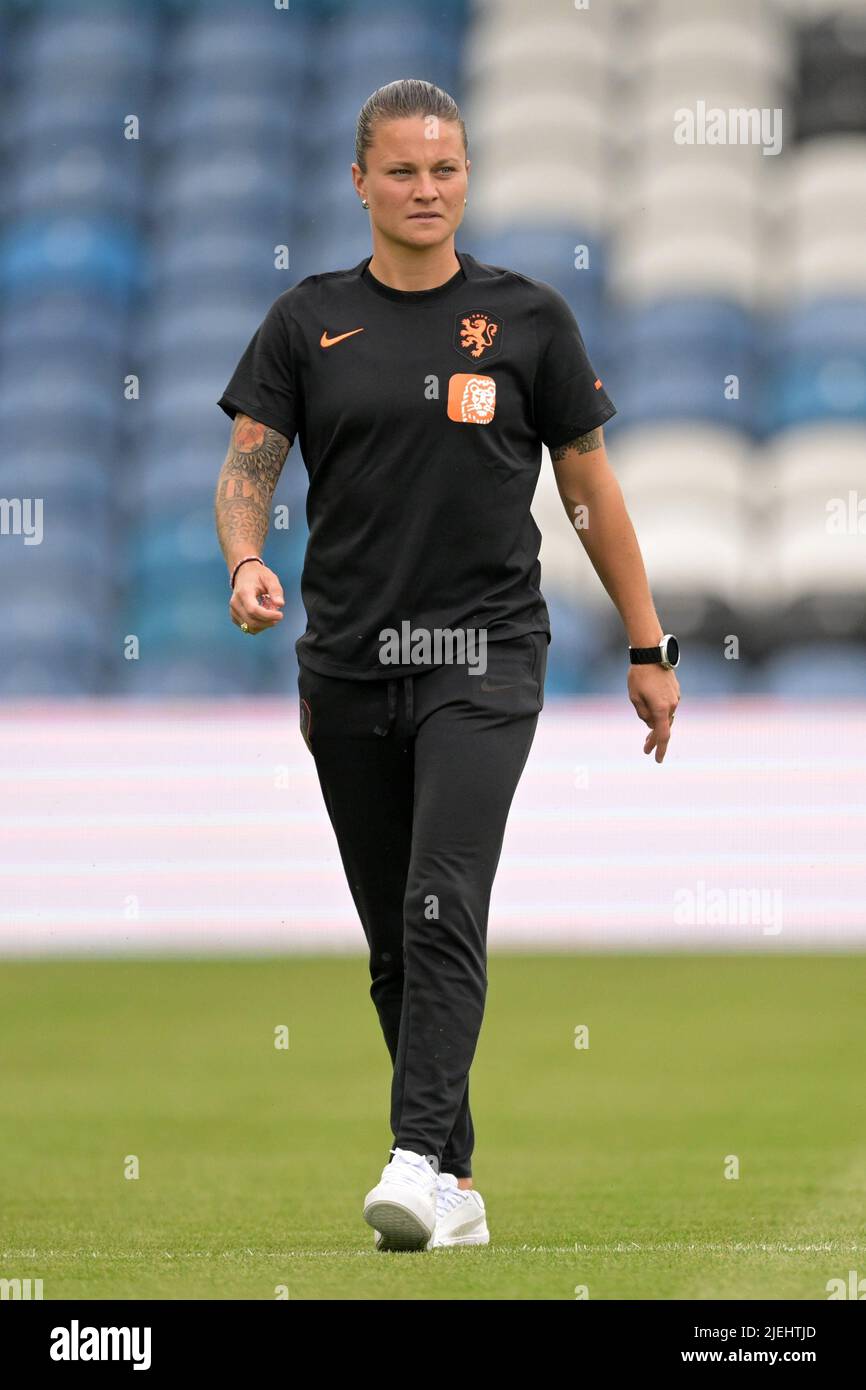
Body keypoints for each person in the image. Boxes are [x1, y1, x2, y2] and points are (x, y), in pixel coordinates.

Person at [214, 79, 680, 1253]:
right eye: (403, 170)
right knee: (392, 940)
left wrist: (643, 641)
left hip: (483, 655)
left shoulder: (527, 321)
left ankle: (414, 1160)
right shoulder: (302, 321)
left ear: (467, 177)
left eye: (446, 169)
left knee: (440, 903)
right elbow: (248, 469)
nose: (426, 189)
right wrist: (242, 560)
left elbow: (587, 488)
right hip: (348, 666)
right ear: (359, 182)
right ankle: (457, 1183)